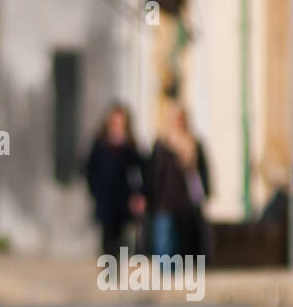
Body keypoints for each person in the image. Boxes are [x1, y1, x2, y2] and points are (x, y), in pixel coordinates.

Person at [146, 105, 210, 259]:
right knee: (164, 244)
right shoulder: (162, 143)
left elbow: (202, 171)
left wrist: (205, 193)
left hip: (187, 202)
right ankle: (167, 278)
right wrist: (150, 196)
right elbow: (155, 172)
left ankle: (181, 277)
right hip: (165, 201)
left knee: (185, 244)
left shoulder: (194, 143)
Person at [84, 103, 145, 259]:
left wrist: (139, 194)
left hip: (123, 198)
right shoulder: (101, 143)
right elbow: (90, 168)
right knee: (107, 235)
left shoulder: (130, 145)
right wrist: (94, 190)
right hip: (105, 198)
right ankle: (109, 271)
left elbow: (140, 170)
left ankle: (118, 269)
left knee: (123, 236)